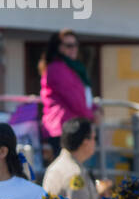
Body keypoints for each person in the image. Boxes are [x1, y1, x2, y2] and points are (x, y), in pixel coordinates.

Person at [39, 30, 96, 158]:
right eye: (69, 45)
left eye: (75, 45)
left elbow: (83, 96)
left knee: (73, 168)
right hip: (64, 128)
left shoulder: (73, 67)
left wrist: (95, 109)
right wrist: (92, 114)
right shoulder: (57, 68)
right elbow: (75, 100)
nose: (74, 48)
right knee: (68, 169)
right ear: (59, 47)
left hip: (72, 126)